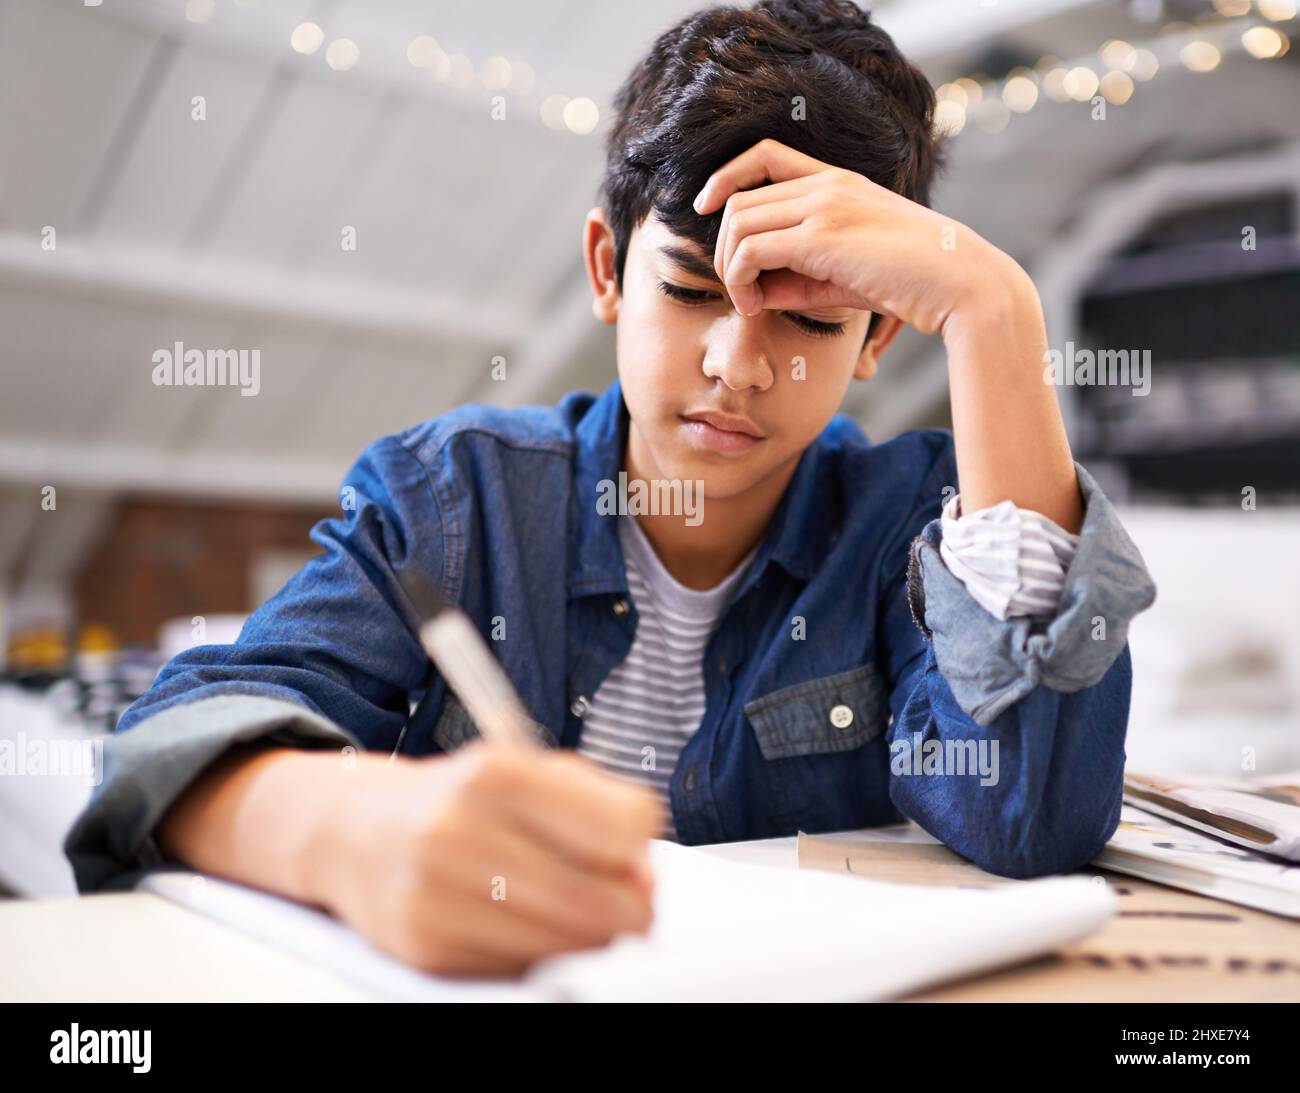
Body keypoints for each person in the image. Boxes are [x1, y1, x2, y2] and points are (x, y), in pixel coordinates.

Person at [65, 0, 1156, 977]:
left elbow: (1030, 814)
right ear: (603, 271)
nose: (736, 362)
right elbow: (175, 740)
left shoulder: (913, 526)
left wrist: (994, 309)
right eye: (689, 288)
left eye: (812, 318)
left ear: (874, 339)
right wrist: (345, 829)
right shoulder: (454, 497)